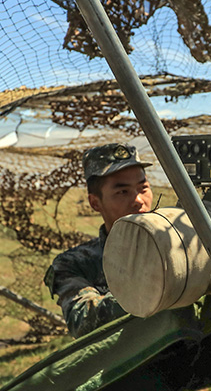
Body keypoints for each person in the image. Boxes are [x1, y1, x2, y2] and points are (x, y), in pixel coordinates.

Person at [44, 143, 153, 338]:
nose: (138, 200)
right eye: (122, 192)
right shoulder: (75, 263)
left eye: (143, 188)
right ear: (95, 202)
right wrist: (159, 287)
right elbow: (82, 320)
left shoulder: (178, 242)